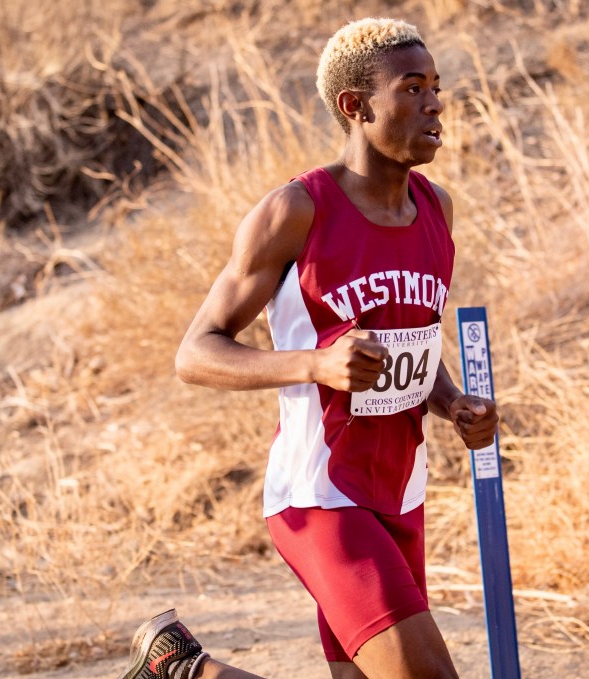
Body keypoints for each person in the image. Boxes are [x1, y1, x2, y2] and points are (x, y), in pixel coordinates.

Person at [118, 17, 499, 679]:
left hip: (401, 491)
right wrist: (317, 364)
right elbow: (196, 353)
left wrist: (452, 402)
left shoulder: (437, 209)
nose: (435, 103)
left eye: (436, 86)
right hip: (321, 494)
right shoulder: (295, 211)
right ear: (356, 106)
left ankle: (186, 671)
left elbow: (409, 338)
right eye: (412, 88)